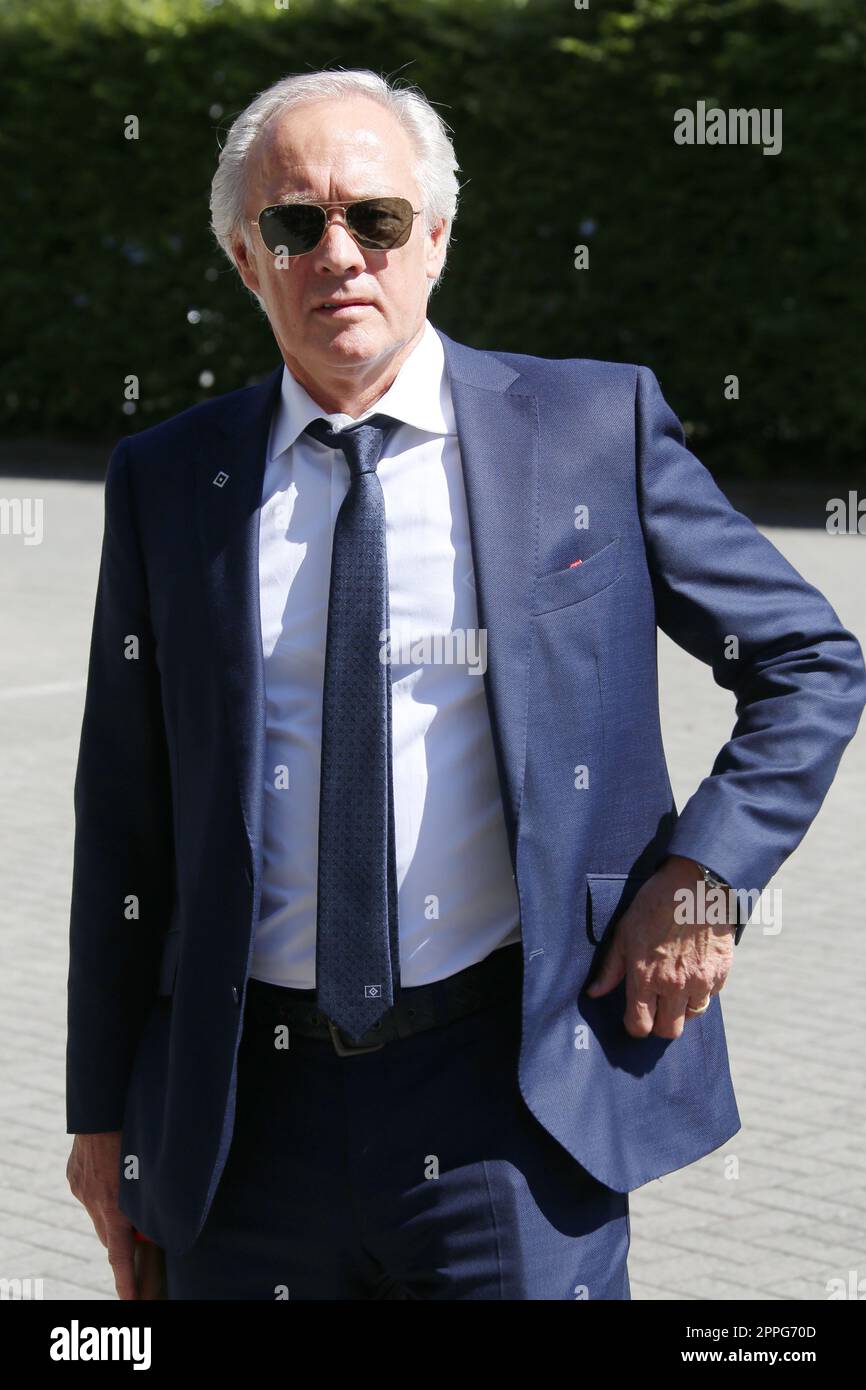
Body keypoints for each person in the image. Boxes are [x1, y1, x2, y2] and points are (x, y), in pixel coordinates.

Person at [66, 68, 866, 1301]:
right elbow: (121, 821)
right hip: (242, 1124)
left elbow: (807, 659)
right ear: (244, 258)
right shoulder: (169, 481)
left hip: (510, 1103)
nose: (339, 253)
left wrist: (703, 880)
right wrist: (102, 1114)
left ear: (434, 238)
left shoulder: (593, 426)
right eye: (295, 223)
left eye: (375, 219)